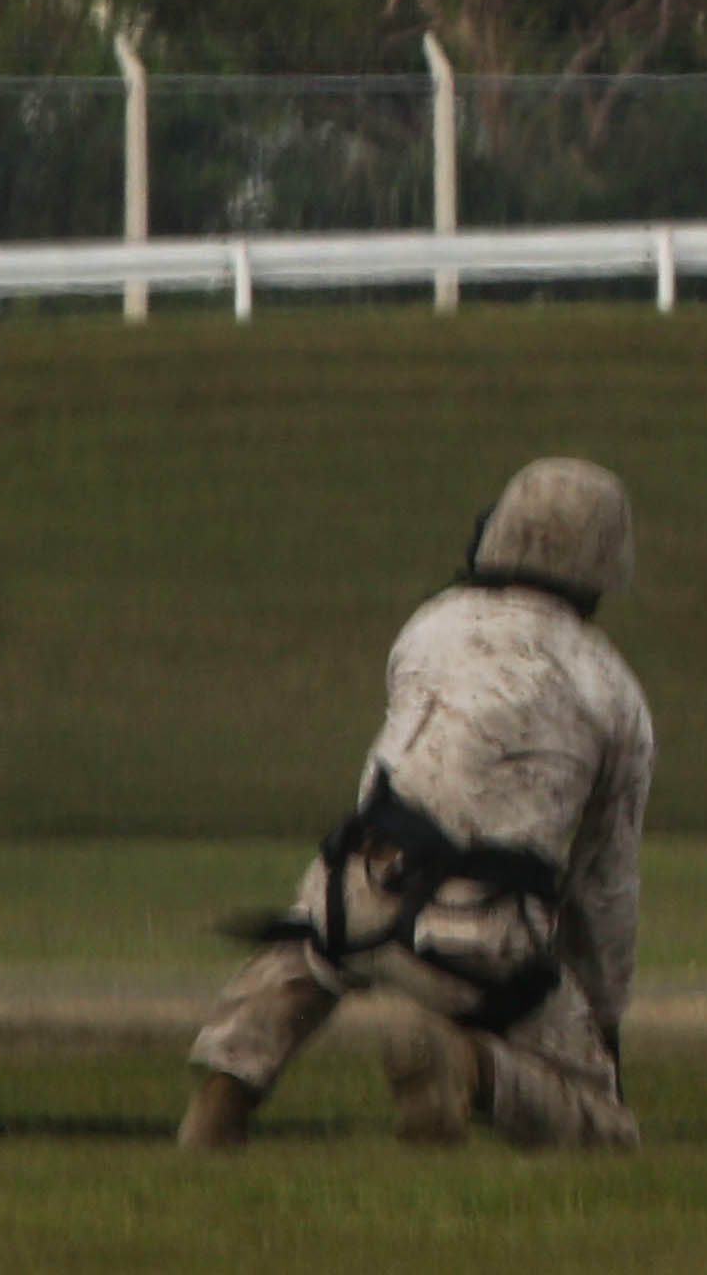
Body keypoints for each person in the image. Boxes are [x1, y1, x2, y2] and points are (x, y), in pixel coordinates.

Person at [176, 456, 656, 1153]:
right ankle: (469, 1069)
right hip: (481, 942)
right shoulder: (615, 694)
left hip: (362, 897)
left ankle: (222, 1101)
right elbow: (603, 888)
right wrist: (602, 1026)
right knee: (609, 1134)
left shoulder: (431, 628)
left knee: (308, 946)